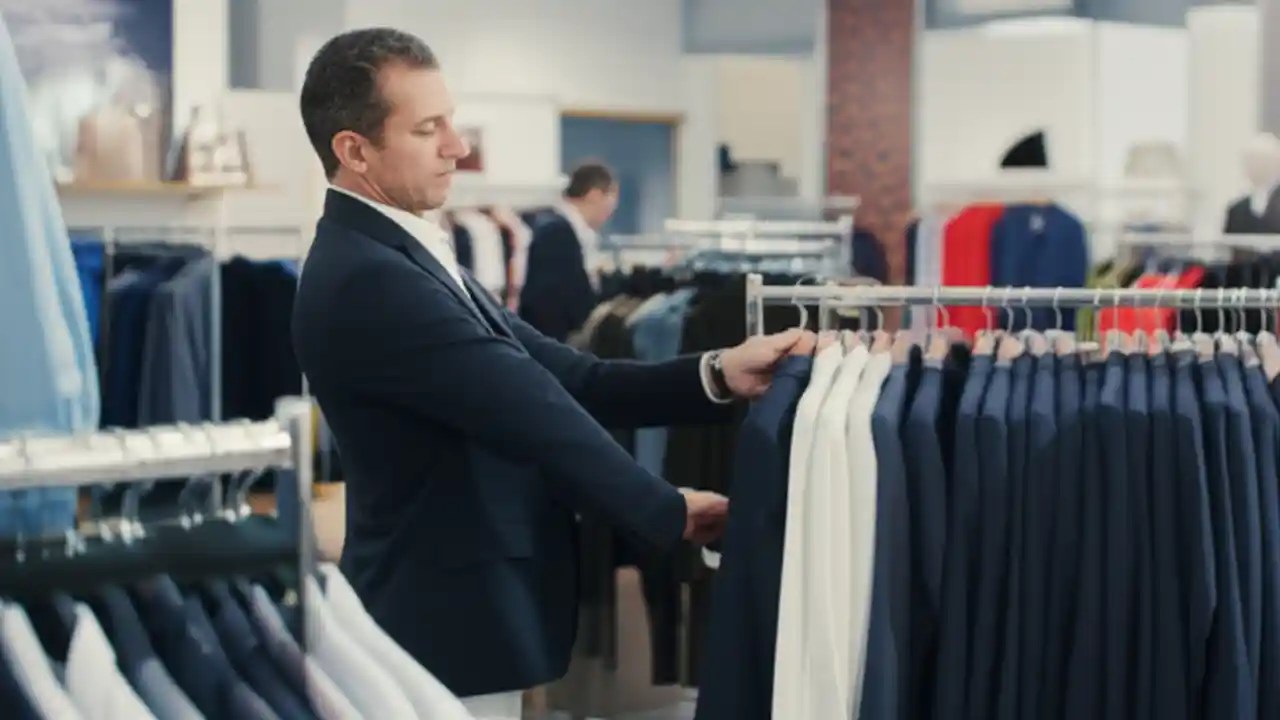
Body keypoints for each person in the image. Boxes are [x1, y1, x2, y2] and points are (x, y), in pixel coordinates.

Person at [292, 27, 812, 719]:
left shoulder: (403, 252)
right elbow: (538, 413)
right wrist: (664, 509)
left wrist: (719, 371)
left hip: (457, 603)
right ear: (354, 150)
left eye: (452, 120)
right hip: (440, 615)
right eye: (428, 128)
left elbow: (574, 377)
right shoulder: (371, 277)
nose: (459, 146)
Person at [518, 161, 615, 341]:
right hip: (551, 343)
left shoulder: (564, 228)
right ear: (594, 195)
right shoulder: (556, 232)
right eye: (611, 198)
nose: (611, 209)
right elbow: (547, 303)